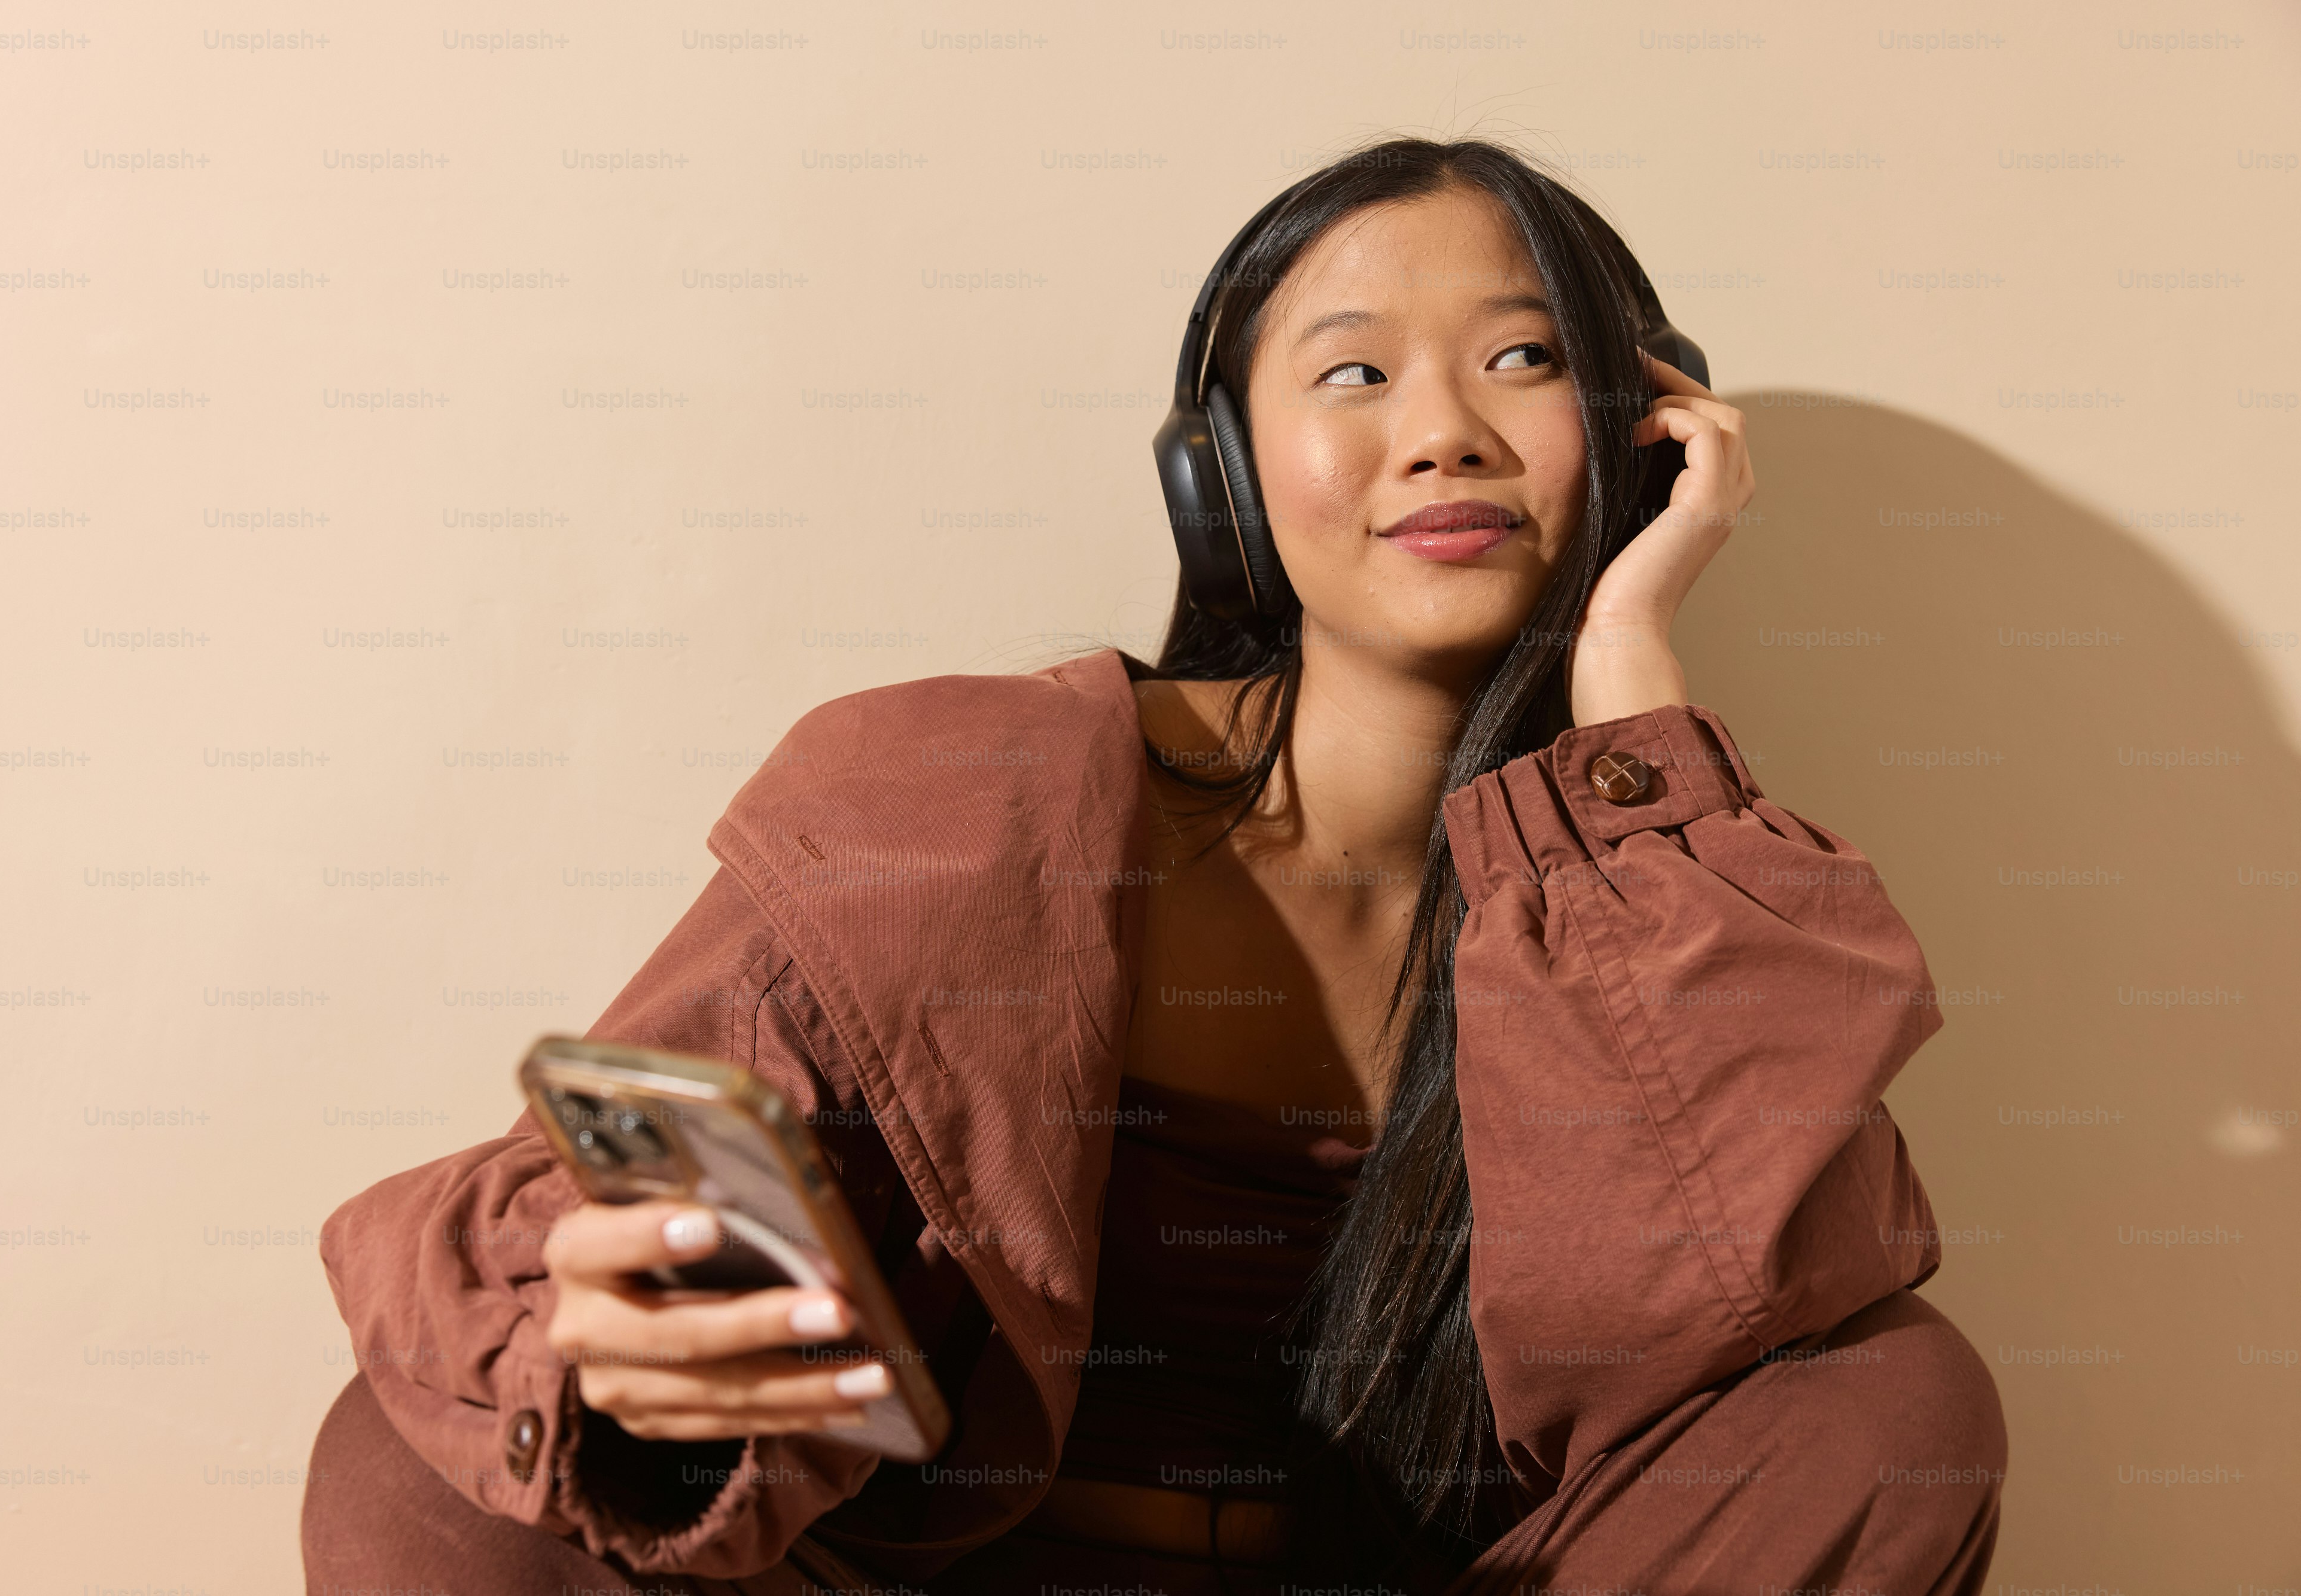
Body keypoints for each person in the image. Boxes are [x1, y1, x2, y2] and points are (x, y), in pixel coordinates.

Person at [302, 136, 2006, 1595]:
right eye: (1355, 374)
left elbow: (1752, 1290)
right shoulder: (971, 789)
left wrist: (1633, 686)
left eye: (1528, 360)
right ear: (1225, 488)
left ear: (1643, 440)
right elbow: (593, 1198)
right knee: (413, 1461)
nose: (1445, 434)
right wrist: (629, 1336)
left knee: (1896, 1413)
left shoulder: (1632, 884)